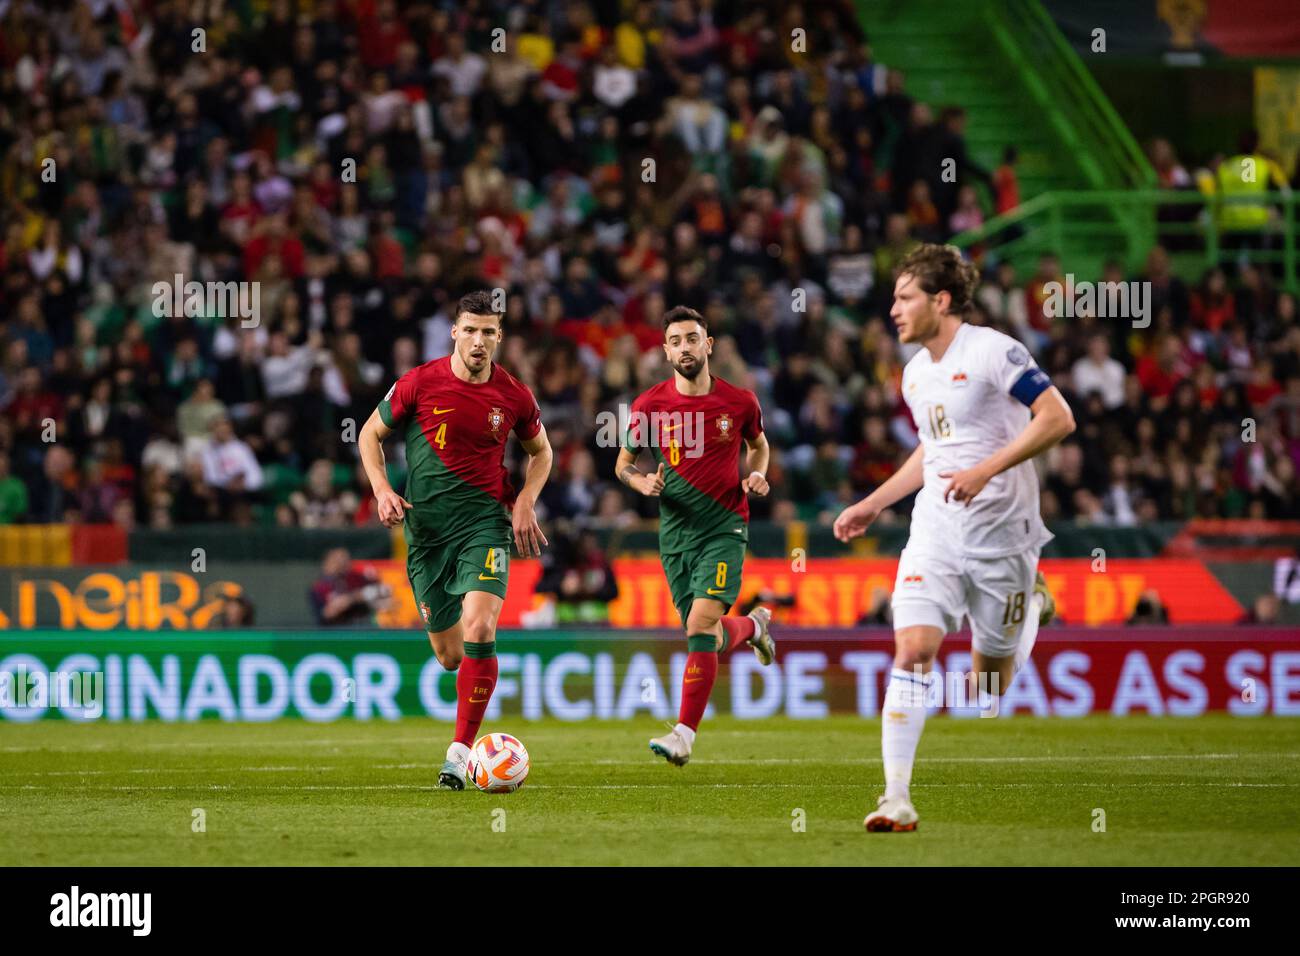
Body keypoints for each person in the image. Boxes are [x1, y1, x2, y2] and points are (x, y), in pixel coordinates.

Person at [833, 244, 1076, 832]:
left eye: (904, 296)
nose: (893, 308)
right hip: (936, 528)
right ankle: (896, 796)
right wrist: (873, 502)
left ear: (940, 301)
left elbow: (1057, 417)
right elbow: (934, 452)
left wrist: (987, 469)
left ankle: (1034, 602)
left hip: (1005, 535)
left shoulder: (994, 350)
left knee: (987, 687)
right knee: (914, 649)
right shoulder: (915, 374)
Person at [357, 290, 553, 790]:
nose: (479, 340)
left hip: (484, 525)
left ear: (499, 337)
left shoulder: (513, 395)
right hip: (425, 535)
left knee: (481, 628)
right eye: (470, 330)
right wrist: (382, 489)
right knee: (450, 655)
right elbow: (368, 435)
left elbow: (542, 453)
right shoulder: (420, 383)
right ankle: (475, 693)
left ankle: (459, 754)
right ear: (454, 332)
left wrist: (525, 501)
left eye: (489, 332)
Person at [614, 305, 776, 768]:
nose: (685, 348)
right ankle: (754, 626)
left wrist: (757, 475)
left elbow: (758, 445)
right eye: (676, 341)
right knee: (703, 633)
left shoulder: (740, 402)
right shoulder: (649, 406)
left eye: (692, 339)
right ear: (666, 352)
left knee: (699, 626)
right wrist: (639, 482)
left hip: (724, 525)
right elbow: (623, 463)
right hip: (675, 534)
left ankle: (684, 734)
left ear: (709, 345)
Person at [309, 547, 390, 626]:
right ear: (327, 562)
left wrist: (355, 597)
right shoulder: (319, 587)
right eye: (337, 560)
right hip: (333, 632)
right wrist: (347, 601)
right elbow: (327, 614)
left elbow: (383, 590)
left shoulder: (355, 578)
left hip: (362, 629)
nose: (342, 563)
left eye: (345, 560)